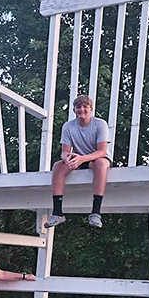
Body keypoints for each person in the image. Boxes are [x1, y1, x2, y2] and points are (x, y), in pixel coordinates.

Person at [44, 94, 111, 229]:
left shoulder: (100, 124)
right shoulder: (68, 126)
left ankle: (95, 213)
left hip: (96, 158)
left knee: (100, 163)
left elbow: (102, 151)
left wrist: (82, 158)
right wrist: (66, 159)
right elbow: (65, 151)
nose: (82, 110)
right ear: (74, 110)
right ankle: (57, 213)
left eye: (85, 107)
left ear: (91, 109)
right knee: (58, 165)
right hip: (78, 158)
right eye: (78, 107)